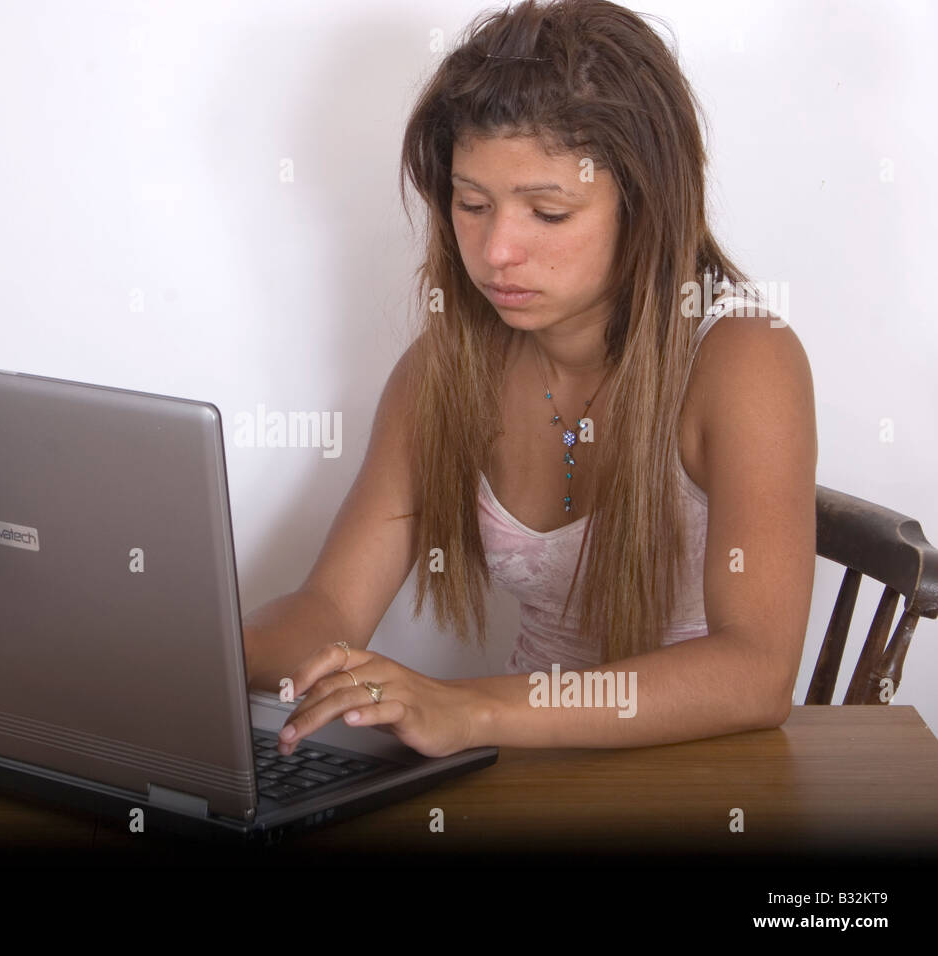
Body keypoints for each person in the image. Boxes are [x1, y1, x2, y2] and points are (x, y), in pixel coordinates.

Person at [241, 0, 816, 758]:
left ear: (643, 208)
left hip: (701, 775)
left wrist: (465, 710)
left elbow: (755, 673)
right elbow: (330, 606)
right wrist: (182, 653)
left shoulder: (744, 359)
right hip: (530, 775)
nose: (496, 250)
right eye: (472, 204)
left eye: (547, 212)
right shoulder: (442, 373)